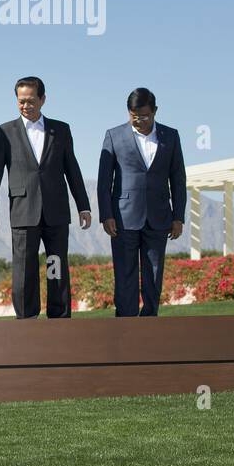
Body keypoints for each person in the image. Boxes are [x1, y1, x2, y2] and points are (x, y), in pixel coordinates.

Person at [0, 76, 91, 318]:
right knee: (24, 269)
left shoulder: (61, 130)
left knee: (56, 265)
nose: (25, 106)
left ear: (43, 99)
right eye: (21, 101)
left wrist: (83, 205)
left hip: (56, 211)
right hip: (23, 211)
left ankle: (59, 317)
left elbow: (72, 168)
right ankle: (26, 319)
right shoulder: (4, 132)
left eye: (31, 101)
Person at [96, 87, 187, 317]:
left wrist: (178, 217)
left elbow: (178, 179)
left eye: (144, 116)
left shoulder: (171, 136)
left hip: (159, 217)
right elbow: (104, 181)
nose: (139, 121)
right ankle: (125, 323)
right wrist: (106, 215)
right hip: (123, 218)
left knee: (154, 274)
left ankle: (149, 322)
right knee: (125, 274)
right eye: (134, 116)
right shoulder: (113, 135)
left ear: (155, 111)